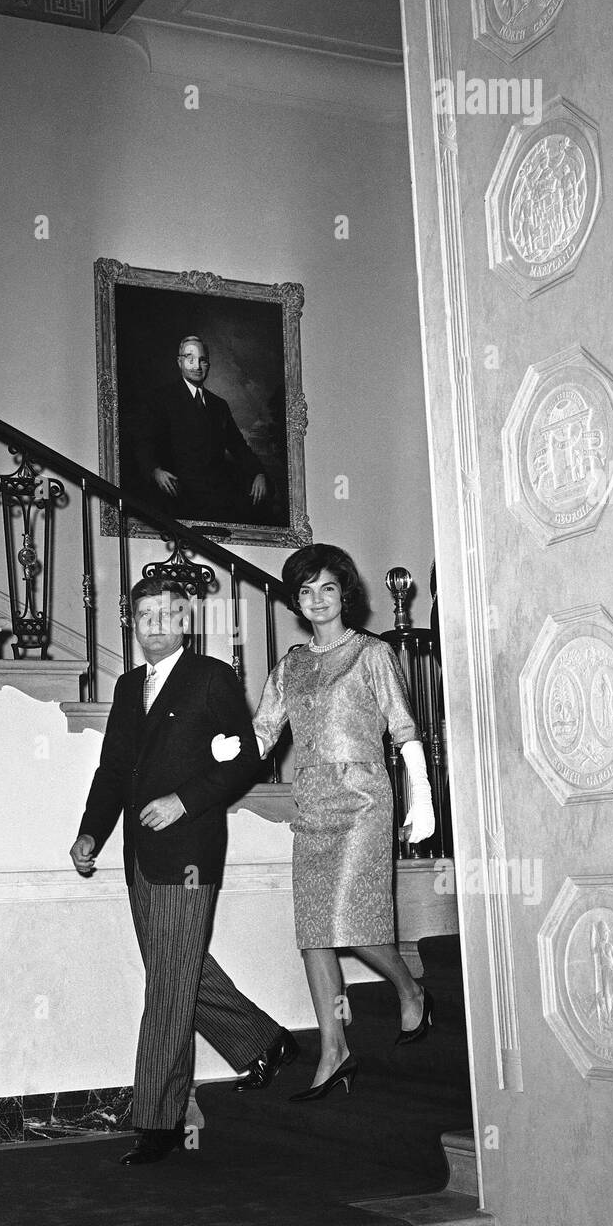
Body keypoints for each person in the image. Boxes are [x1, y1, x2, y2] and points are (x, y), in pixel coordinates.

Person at [70, 577, 300, 1165]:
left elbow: (247, 755)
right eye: (143, 615)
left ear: (185, 621)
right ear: (134, 623)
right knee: (179, 971)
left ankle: (159, 1119)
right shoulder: (127, 688)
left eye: (164, 614)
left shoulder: (211, 677)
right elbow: (114, 769)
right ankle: (263, 1041)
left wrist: (184, 800)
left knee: (168, 987)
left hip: (189, 854)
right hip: (139, 858)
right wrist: (91, 830)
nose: (153, 624)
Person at [249, 544, 436, 1099]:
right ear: (297, 601)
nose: (317, 600)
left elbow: (404, 727)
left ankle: (412, 989)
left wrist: (420, 799)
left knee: (348, 922)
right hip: (311, 799)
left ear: (344, 593)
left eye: (327, 588)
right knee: (314, 933)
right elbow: (263, 732)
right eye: (306, 591)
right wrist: (222, 751)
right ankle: (335, 1050)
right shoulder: (291, 665)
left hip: (361, 799)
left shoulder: (373, 653)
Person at [132, 336, 268, 524]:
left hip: (215, 494)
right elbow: (144, 442)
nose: (197, 366)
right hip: (178, 492)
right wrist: (155, 471)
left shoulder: (219, 405)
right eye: (190, 359)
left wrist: (258, 473)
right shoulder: (161, 398)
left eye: (202, 360)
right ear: (179, 362)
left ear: (209, 365)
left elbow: (239, 446)